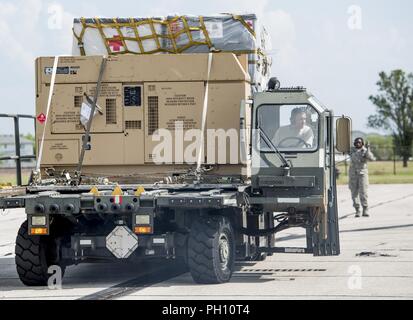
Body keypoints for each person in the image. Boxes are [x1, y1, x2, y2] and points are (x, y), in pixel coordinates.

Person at [349, 137, 376, 217]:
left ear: (362, 143)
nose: (358, 143)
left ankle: (365, 209)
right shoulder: (351, 150)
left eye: (359, 142)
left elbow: (371, 158)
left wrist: (368, 149)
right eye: (356, 142)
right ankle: (357, 210)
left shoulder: (365, 151)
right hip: (353, 175)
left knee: (363, 192)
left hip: (362, 174)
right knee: (354, 193)